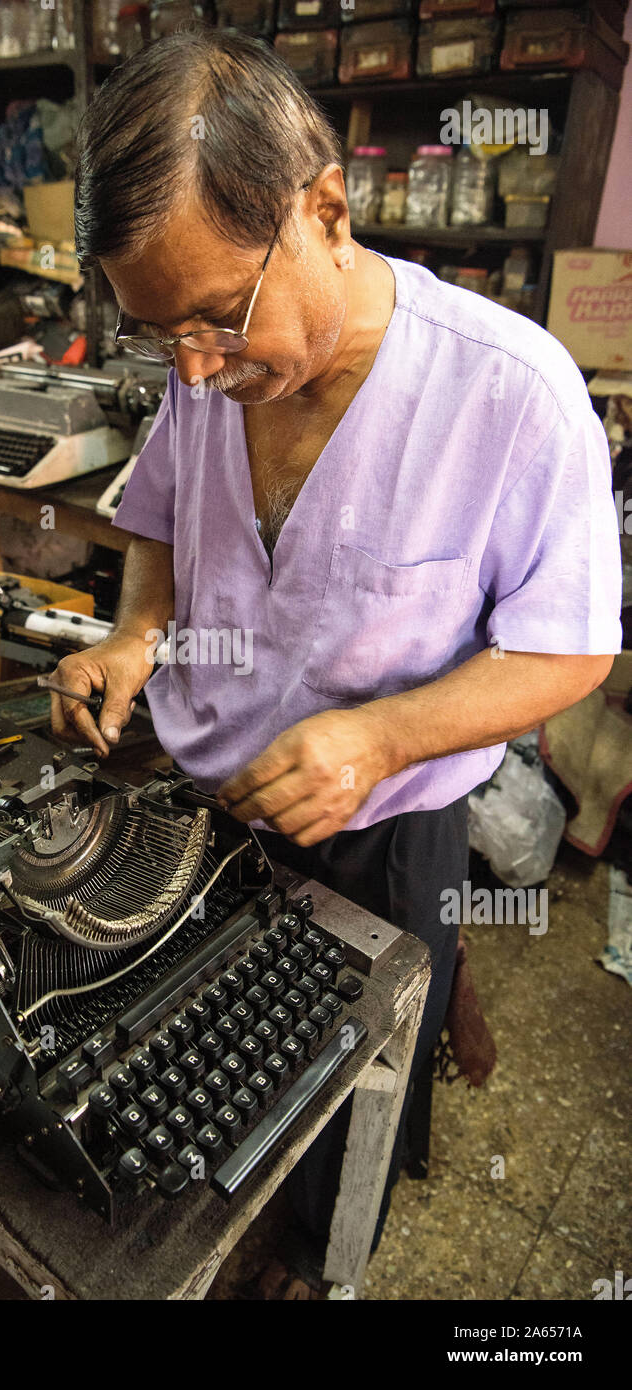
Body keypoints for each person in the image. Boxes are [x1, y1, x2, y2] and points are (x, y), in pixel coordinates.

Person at [48, 27, 622, 1292]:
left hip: (381, 830)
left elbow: (570, 648)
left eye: (214, 318)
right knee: (193, 1055)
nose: (193, 367)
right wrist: (138, 636)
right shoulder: (207, 370)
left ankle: (319, 1258)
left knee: (334, 1095)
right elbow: (154, 516)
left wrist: (383, 734)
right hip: (208, 796)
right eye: (159, 335)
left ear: (326, 210)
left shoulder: (511, 395)